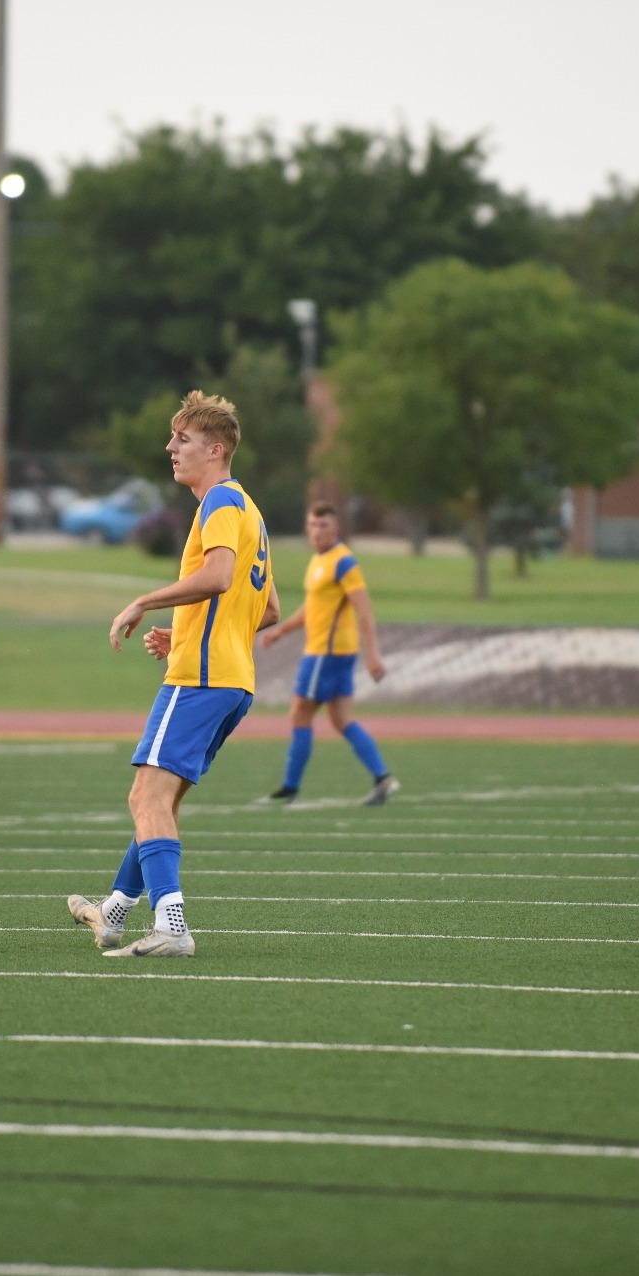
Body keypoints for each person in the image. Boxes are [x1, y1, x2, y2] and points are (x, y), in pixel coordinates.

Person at [68, 391, 279, 959]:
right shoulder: (249, 510)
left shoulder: (220, 502)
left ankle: (172, 925)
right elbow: (269, 609)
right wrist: (186, 633)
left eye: (182, 439)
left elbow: (218, 577)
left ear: (215, 450)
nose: (170, 448)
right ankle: (114, 912)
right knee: (160, 801)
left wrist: (145, 601)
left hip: (202, 679)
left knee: (146, 796)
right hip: (232, 680)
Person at [258, 501, 397, 806]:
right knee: (342, 719)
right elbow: (313, 607)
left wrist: (373, 654)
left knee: (300, 713)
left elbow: (364, 610)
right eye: (312, 525)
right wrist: (281, 631)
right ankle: (382, 777)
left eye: (323, 525)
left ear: (336, 528)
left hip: (326, 653)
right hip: (332, 652)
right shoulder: (319, 561)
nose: (317, 531)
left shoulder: (343, 562)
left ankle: (290, 786)